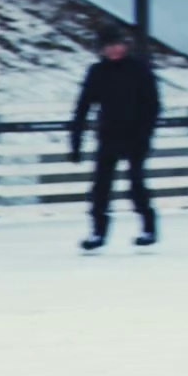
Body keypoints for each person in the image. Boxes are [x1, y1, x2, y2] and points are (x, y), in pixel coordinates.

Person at [69, 24, 162, 251]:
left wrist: (145, 133)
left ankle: (148, 227)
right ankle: (98, 232)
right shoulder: (97, 72)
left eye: (117, 45)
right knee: (101, 186)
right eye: (109, 46)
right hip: (108, 135)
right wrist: (75, 141)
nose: (114, 50)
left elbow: (152, 105)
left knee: (136, 182)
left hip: (136, 136)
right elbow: (83, 107)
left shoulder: (139, 69)